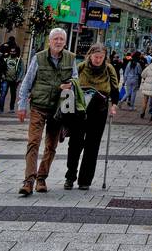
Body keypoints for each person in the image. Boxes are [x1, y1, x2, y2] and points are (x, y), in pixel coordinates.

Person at [16, 28, 75, 196]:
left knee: (51, 146)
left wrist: (70, 84)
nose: (58, 42)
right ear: (50, 41)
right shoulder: (39, 57)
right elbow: (27, 82)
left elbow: (75, 80)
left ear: (65, 42)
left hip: (57, 109)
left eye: (61, 39)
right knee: (33, 142)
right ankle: (29, 181)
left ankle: (41, 178)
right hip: (38, 106)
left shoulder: (70, 59)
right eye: (55, 39)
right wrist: (21, 105)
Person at [64, 44, 120, 190]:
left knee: (92, 145)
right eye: (96, 57)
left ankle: (85, 180)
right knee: (75, 143)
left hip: (99, 110)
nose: (98, 60)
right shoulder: (81, 67)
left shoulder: (109, 69)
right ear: (90, 56)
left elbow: (114, 88)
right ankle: (70, 176)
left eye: (101, 57)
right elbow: (72, 84)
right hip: (81, 109)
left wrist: (114, 104)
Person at [0, 38, 23, 113]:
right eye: (11, 51)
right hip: (6, 79)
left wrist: (19, 78)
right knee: (3, 94)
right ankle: (0, 109)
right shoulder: (6, 58)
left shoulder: (19, 60)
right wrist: (2, 75)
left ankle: (11, 108)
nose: (12, 53)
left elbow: (22, 70)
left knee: (13, 95)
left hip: (14, 80)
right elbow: (2, 67)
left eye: (14, 52)